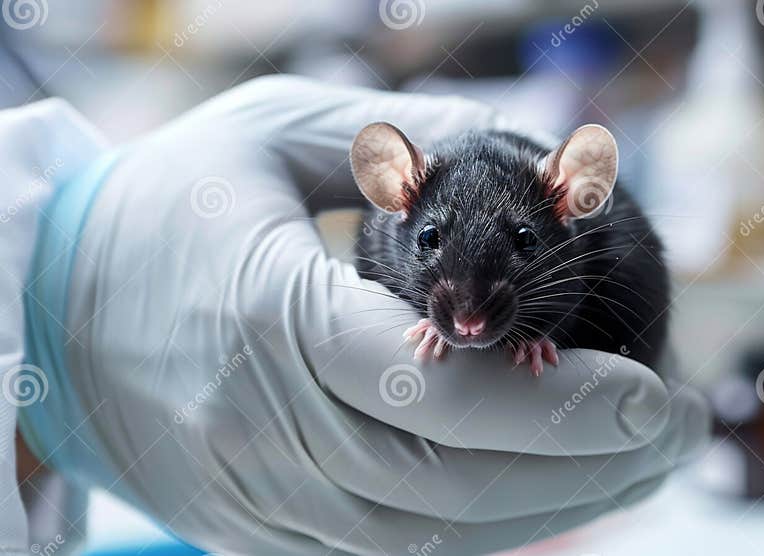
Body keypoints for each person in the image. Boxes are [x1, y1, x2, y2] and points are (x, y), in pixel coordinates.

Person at [0, 75, 707, 555]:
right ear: (396, 197)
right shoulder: (384, 230)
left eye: (523, 244)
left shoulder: (580, 230)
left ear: (567, 203)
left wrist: (541, 333)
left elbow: (585, 274)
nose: (467, 315)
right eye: (432, 243)